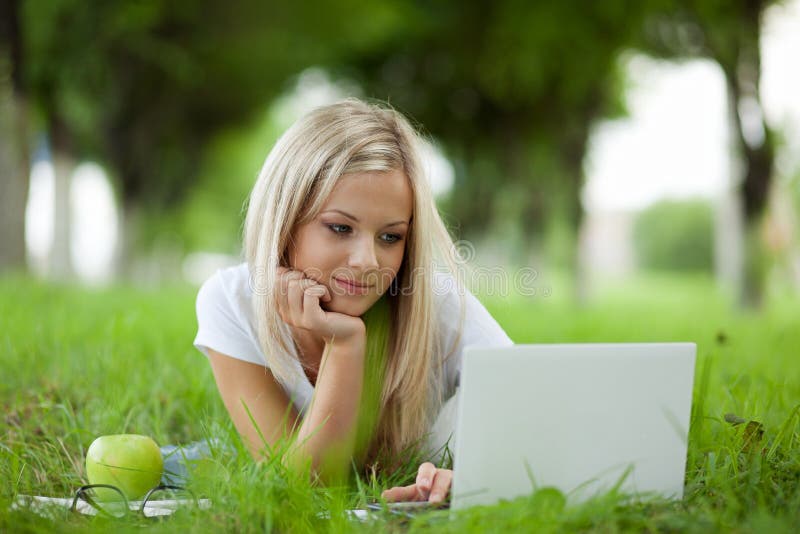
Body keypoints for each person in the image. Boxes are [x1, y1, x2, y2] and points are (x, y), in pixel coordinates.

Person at [193, 98, 513, 504]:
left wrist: (466, 475)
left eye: (390, 236)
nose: (367, 262)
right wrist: (345, 344)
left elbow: (532, 410)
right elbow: (304, 489)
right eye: (341, 227)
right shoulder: (233, 302)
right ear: (285, 220)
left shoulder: (434, 301)